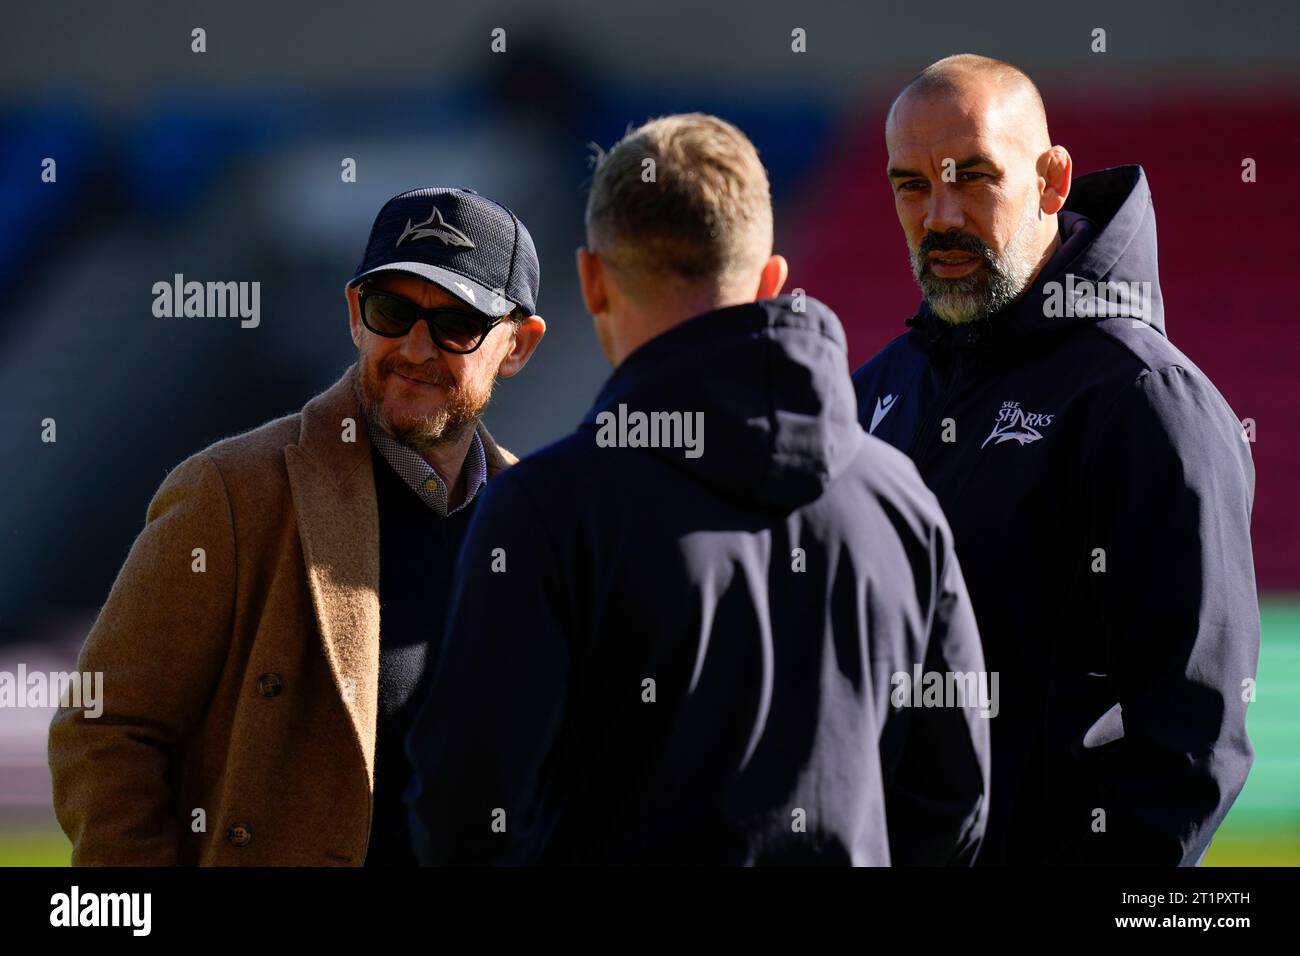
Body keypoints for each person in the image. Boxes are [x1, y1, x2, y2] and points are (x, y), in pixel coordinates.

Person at [405, 114, 990, 866]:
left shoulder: (543, 508)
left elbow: (465, 814)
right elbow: (952, 801)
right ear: (774, 281)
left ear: (591, 280)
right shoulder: (900, 501)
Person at [48, 187, 546, 864]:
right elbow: (104, 730)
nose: (415, 347)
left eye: (456, 322)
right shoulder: (232, 493)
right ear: (354, 314)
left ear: (518, 345)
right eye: (392, 311)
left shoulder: (542, 523)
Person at [852, 54, 1259, 865]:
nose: (939, 215)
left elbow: (1192, 737)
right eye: (911, 185)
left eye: (971, 177)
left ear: (1051, 179)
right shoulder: (876, 389)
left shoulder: (1146, 398)